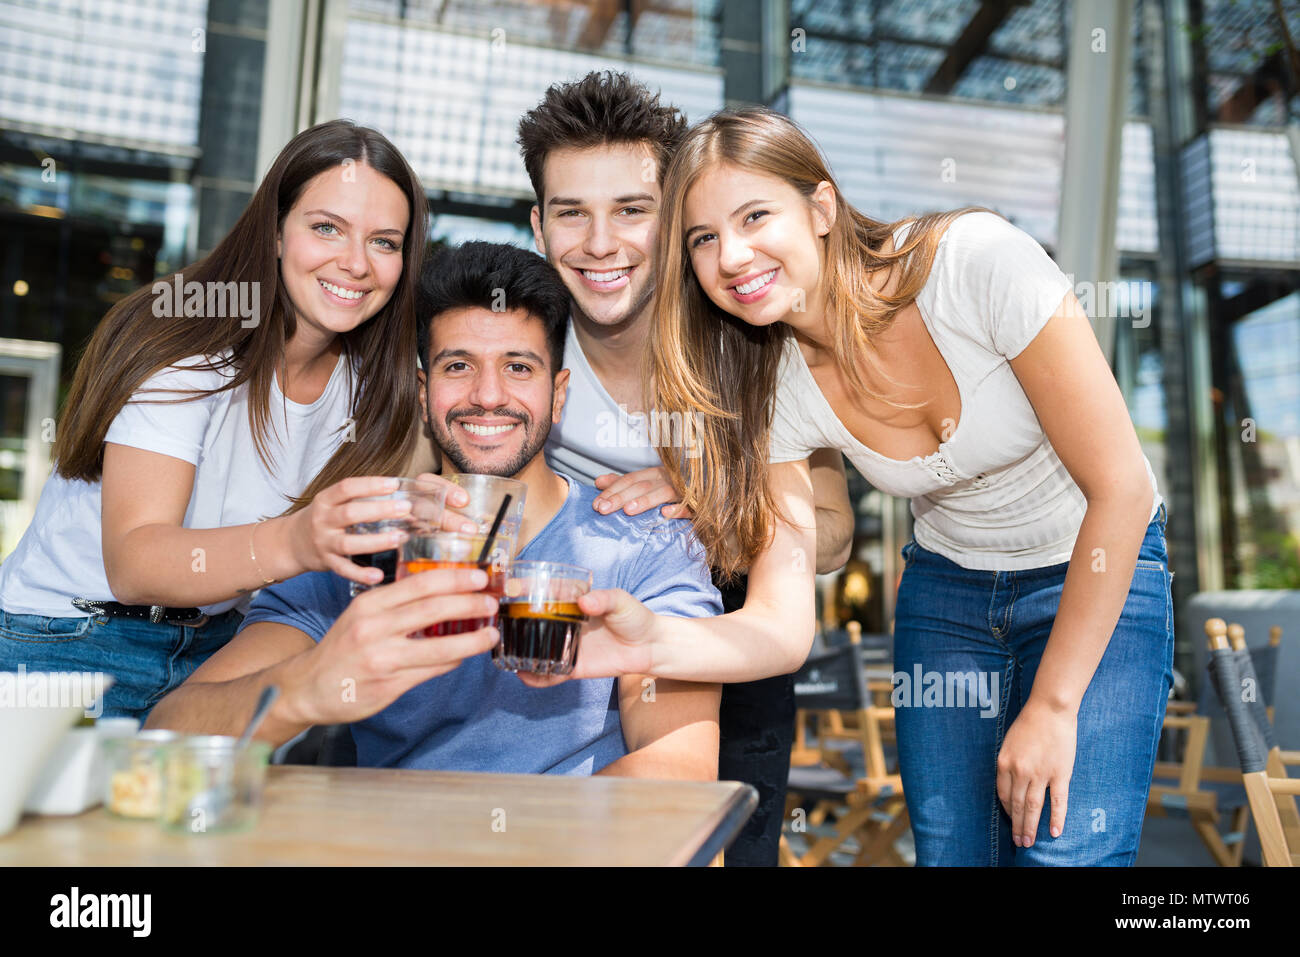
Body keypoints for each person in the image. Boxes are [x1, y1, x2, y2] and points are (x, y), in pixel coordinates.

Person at [641, 106, 1173, 866]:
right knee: (953, 857)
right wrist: (653, 612)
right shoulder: (776, 385)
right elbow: (789, 594)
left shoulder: (976, 263)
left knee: (1066, 857)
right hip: (948, 597)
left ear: (821, 207)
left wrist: (1055, 705)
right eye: (703, 238)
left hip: (1096, 569)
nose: (731, 254)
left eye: (755, 214)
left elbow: (1121, 487)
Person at [145, 242, 721, 779]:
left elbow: (676, 775)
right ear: (424, 394)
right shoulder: (360, 545)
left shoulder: (649, 542)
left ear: (559, 392)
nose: (488, 396)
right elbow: (168, 732)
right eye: (458, 366)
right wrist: (305, 689)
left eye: (519, 367)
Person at [0, 119, 451, 720]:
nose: (356, 263)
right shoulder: (188, 343)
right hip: (66, 644)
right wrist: (298, 540)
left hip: (218, 652)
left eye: (384, 242)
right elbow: (135, 565)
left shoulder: (370, 386)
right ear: (275, 234)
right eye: (326, 229)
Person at [516, 71, 854, 861]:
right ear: (539, 225)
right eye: (572, 213)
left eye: (632, 211)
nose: (601, 244)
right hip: (559, 630)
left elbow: (831, 539)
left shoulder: (757, 345)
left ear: (674, 220)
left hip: (725, 642)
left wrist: (719, 493)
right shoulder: (521, 347)